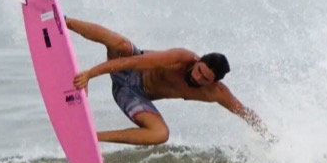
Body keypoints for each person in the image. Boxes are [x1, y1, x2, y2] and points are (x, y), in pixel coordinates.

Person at [66, 17, 266, 145]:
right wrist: (90, 74)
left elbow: (243, 111)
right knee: (121, 44)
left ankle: (93, 137)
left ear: (214, 82)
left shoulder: (216, 93)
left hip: (133, 96)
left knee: (161, 134)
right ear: (198, 61)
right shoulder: (180, 58)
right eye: (199, 70)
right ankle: (66, 22)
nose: (197, 77)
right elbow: (133, 62)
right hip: (129, 68)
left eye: (205, 78)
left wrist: (268, 136)